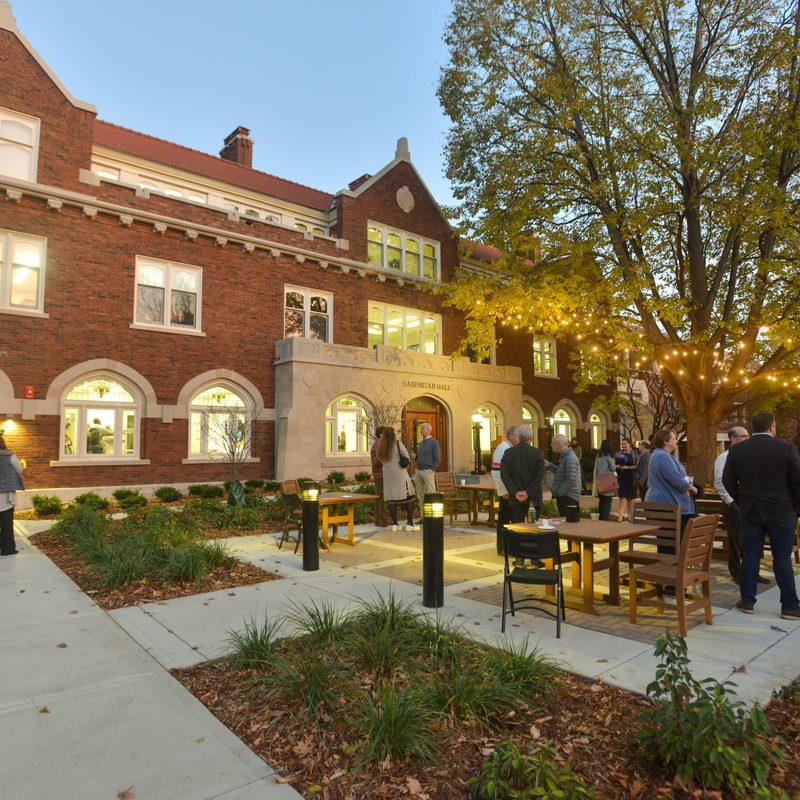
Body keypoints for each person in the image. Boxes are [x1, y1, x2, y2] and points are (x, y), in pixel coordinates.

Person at [723, 412, 800, 620]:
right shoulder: (786, 448)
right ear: (772, 427)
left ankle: (747, 601)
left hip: (750, 510)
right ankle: (790, 606)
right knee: (782, 558)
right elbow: (797, 481)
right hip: (782, 510)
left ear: (753, 427)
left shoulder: (737, 450)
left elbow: (727, 481)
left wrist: (742, 501)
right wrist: (796, 508)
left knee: (750, 555)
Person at [714, 426, 770, 585]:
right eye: (743, 436)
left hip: (751, 503)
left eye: (748, 436)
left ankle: (753, 571)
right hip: (734, 504)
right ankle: (736, 571)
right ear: (732, 438)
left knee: (754, 538)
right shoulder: (724, 457)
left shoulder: (750, 455)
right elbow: (719, 482)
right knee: (735, 539)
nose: (747, 439)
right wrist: (731, 503)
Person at [646, 428, 697, 550]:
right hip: (668, 505)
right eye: (674, 439)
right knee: (671, 543)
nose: (676, 441)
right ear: (665, 441)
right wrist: (691, 488)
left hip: (664, 503)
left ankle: (669, 561)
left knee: (667, 542)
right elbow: (677, 480)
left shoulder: (660, 455)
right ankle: (671, 562)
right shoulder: (662, 456)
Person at [499, 425, 544, 524]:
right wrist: (529, 493)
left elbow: (504, 475)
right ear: (530, 438)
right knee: (533, 528)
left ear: (518, 437)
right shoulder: (538, 453)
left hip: (515, 499)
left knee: (518, 527)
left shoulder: (508, 453)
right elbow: (539, 476)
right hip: (533, 498)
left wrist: (515, 492)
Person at [378, 428, 418, 532]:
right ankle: (410, 523)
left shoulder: (381, 447)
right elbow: (407, 458)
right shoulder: (398, 444)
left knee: (392, 499)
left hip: (388, 475)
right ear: (393, 434)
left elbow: (380, 460)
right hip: (400, 474)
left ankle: (395, 524)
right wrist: (403, 467)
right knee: (410, 497)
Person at [491, 425, 519, 553]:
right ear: (511, 436)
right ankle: (502, 547)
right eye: (518, 435)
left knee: (510, 518)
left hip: (511, 490)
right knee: (504, 519)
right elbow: (496, 471)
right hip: (506, 492)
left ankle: (510, 546)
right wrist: (504, 491)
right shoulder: (502, 448)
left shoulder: (510, 448)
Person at [545, 434, 582, 517]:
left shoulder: (570, 458)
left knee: (567, 522)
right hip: (567, 496)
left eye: (552, 443)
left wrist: (559, 493)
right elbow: (561, 472)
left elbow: (571, 479)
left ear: (559, 444)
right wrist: (548, 465)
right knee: (565, 521)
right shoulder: (565, 456)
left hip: (568, 497)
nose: (551, 445)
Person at [0, 432, 24, 556]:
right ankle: (7, 549)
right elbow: (20, 470)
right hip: (5, 496)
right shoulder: (10, 456)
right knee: (6, 523)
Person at [413, 423, 440, 517]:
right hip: (418, 471)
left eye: (422, 428)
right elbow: (421, 457)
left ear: (428, 430)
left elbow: (437, 459)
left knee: (431, 494)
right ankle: (423, 517)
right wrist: (415, 457)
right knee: (420, 496)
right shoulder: (421, 443)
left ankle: (433, 517)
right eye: (421, 429)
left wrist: (431, 470)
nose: (421, 430)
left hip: (428, 471)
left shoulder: (434, 442)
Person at [592, 439, 616, 520]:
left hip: (600, 483)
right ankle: (604, 520)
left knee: (601, 503)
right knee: (607, 504)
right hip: (607, 483)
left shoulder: (599, 456)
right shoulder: (608, 457)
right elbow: (613, 468)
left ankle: (601, 519)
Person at [370, 427, 390, 527]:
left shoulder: (380, 444)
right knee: (379, 497)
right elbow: (378, 460)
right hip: (379, 474)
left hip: (383, 473)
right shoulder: (377, 445)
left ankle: (384, 517)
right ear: (381, 434)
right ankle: (378, 519)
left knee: (384, 496)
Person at [615, 438, 637, 522]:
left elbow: (637, 466)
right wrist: (618, 466)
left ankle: (630, 517)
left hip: (632, 478)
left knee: (631, 498)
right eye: (622, 444)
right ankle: (620, 517)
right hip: (622, 478)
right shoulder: (618, 454)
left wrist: (627, 467)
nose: (623, 445)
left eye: (625, 444)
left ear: (629, 444)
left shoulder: (634, 454)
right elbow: (614, 465)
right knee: (623, 497)